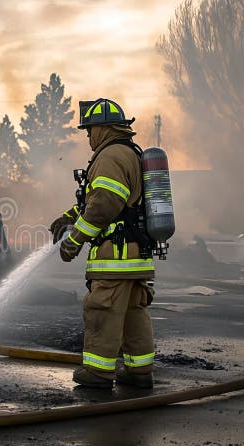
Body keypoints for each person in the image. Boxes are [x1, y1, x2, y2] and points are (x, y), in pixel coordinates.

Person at [49, 98, 156, 389]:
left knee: (102, 311)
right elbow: (102, 202)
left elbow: (104, 205)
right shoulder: (128, 153)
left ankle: (97, 373)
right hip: (134, 256)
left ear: (104, 129)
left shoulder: (110, 156)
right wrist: (69, 216)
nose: (88, 137)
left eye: (90, 131)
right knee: (134, 313)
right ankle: (139, 371)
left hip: (114, 256)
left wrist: (75, 239)